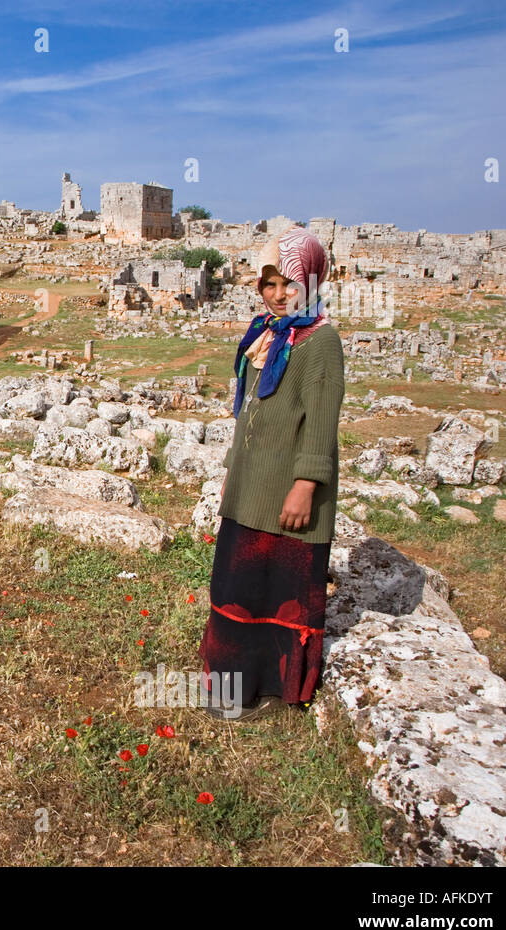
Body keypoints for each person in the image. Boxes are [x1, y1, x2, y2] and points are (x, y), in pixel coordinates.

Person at [199, 226, 345, 721]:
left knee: (279, 594)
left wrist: (306, 485)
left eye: (289, 283)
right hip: (250, 487)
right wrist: (232, 472)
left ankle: (275, 688)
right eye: (269, 283)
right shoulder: (266, 335)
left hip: (288, 491)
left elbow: (321, 421)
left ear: (311, 280)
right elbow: (251, 416)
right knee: (236, 591)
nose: (279, 294)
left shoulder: (320, 342)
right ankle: (231, 689)